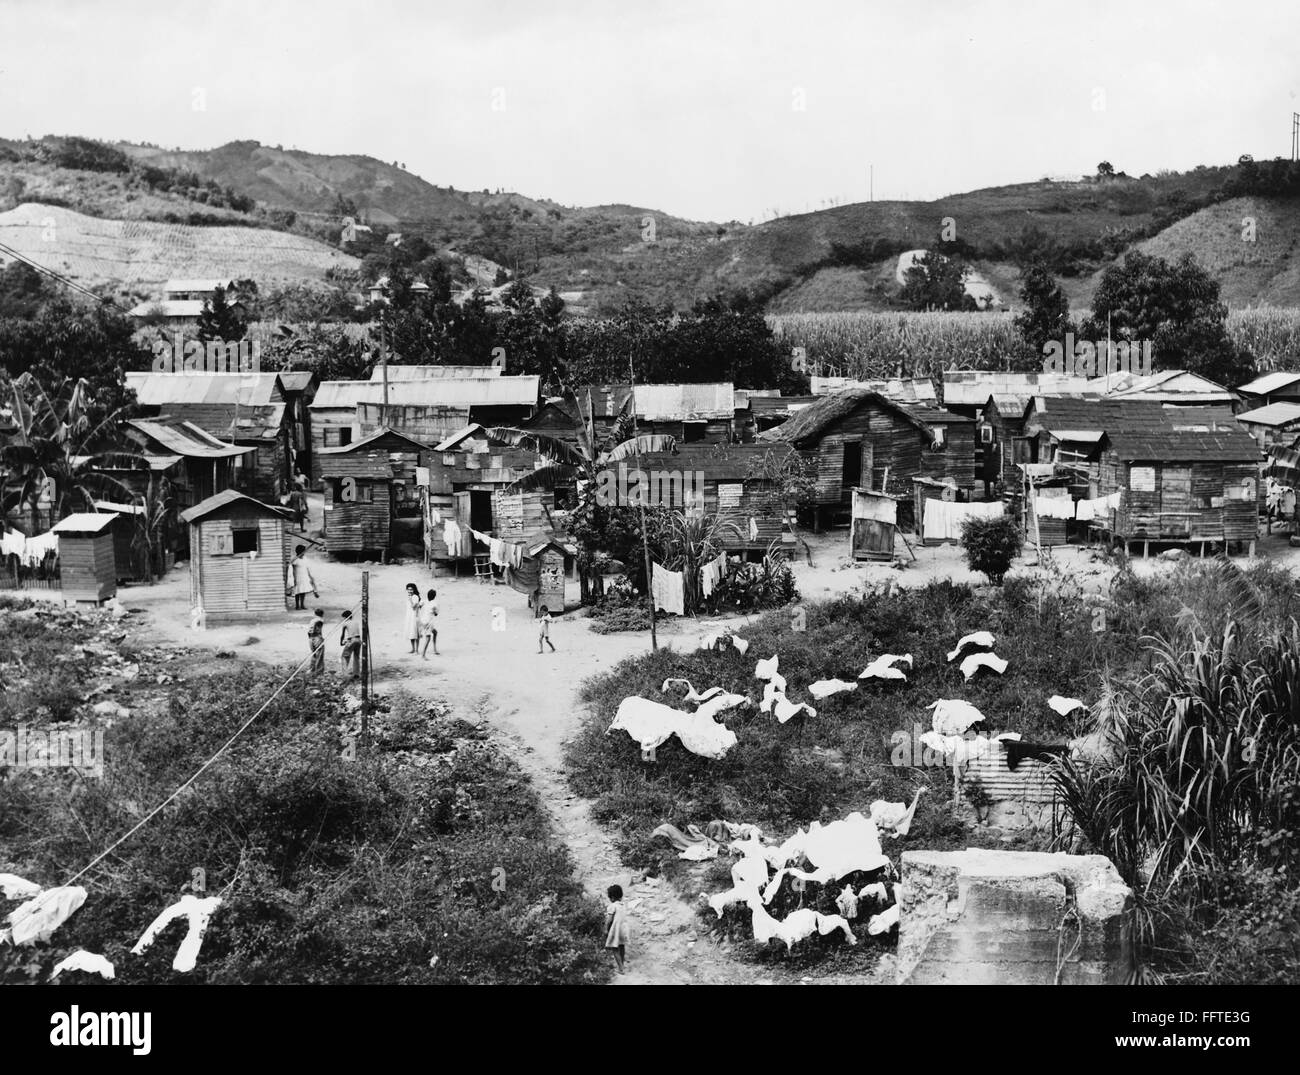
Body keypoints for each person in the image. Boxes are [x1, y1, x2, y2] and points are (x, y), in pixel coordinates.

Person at [604, 884, 629, 974]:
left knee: (614, 948)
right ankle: (621, 964)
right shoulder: (623, 905)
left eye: (610, 897)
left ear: (613, 897)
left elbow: (609, 919)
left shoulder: (612, 906)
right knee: (622, 946)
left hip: (616, 929)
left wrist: (606, 929)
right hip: (624, 929)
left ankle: (621, 969)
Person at [286, 545, 318, 610]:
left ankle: (302, 605)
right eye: (303, 551)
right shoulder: (295, 559)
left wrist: (310, 576)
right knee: (297, 591)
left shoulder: (305, 558)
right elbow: (293, 570)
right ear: (299, 551)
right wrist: (294, 579)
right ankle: (297, 605)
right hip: (297, 576)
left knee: (303, 591)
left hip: (304, 576)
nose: (304, 553)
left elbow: (307, 568)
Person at [340, 610, 361, 679]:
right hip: (358, 639)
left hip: (351, 640)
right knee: (356, 657)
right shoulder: (356, 622)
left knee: (344, 657)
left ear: (345, 617)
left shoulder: (345, 623)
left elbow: (342, 635)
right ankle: (356, 673)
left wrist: (341, 642)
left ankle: (345, 675)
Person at [404, 583, 422, 654]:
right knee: (411, 632)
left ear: (414, 589)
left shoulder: (415, 597)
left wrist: (410, 599)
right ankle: (413, 649)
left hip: (415, 617)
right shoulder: (410, 596)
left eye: (411, 589)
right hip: (409, 617)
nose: (409, 591)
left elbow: (414, 607)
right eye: (408, 589)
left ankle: (417, 650)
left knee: (416, 633)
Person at [419, 589, 439, 657]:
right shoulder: (434, 604)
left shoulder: (424, 600)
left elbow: (419, 606)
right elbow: (436, 614)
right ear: (434, 596)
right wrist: (434, 611)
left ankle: (434, 649)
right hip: (429, 622)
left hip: (423, 620)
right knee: (428, 638)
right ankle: (423, 655)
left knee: (435, 632)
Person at [308, 608, 326, 675]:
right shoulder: (320, 620)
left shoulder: (312, 620)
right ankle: (319, 671)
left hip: (310, 638)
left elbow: (309, 631)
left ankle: (312, 669)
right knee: (320, 654)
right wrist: (320, 638)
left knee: (314, 654)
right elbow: (318, 628)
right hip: (317, 637)